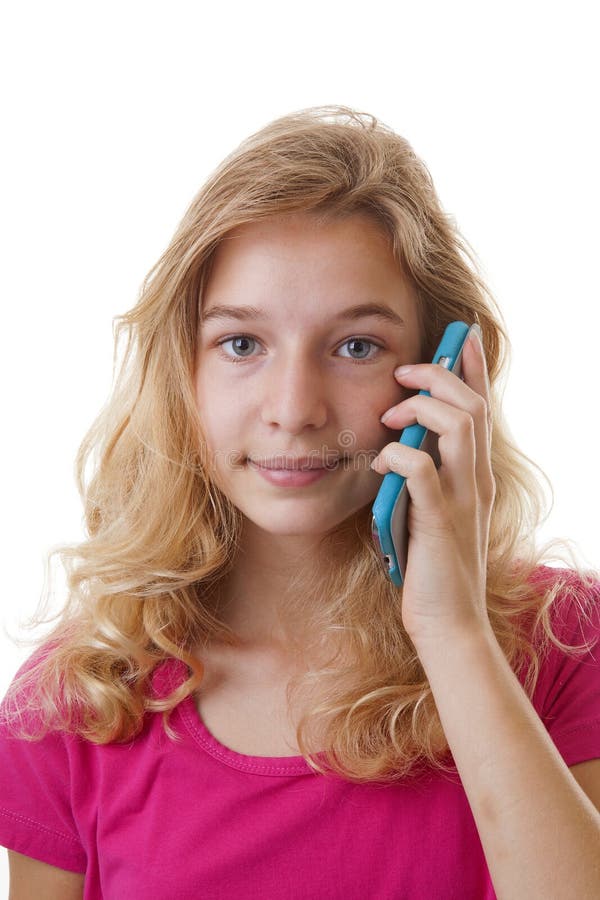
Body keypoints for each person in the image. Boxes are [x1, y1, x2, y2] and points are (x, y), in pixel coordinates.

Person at [1, 105, 599, 900]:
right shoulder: (75, 702)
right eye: (241, 344)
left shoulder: (561, 644)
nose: (293, 409)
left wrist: (453, 631)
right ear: (182, 371)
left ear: (446, 374)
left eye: (356, 346)